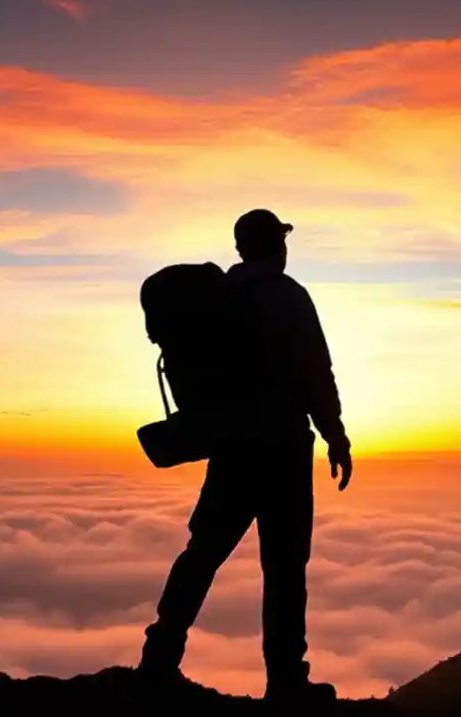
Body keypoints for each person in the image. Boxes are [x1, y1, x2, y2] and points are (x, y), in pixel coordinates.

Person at [138, 208, 353, 704]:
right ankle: (286, 681)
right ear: (274, 245)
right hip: (282, 451)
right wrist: (336, 436)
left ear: (240, 248)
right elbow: (315, 373)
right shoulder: (289, 297)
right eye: (281, 239)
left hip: (232, 447)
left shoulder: (220, 297)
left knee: (203, 553)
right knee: (285, 569)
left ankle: (159, 658)